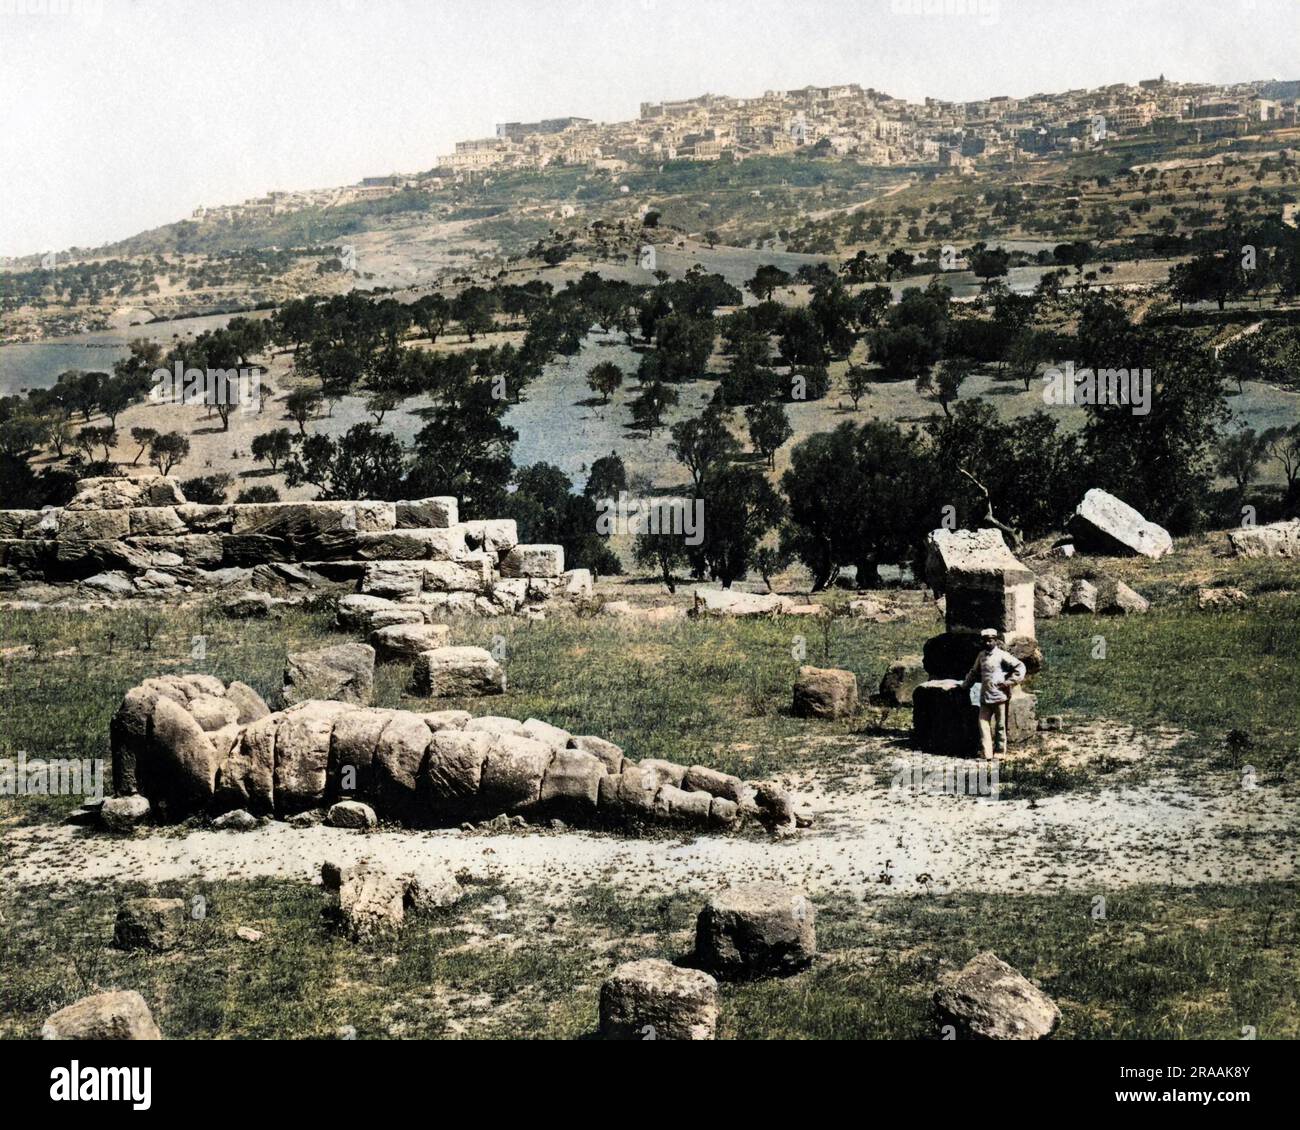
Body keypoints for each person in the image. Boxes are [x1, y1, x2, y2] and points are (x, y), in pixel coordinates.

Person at [960, 628, 1026, 758]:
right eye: (985, 641)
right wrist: (964, 685)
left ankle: (1000, 752)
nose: (988, 643)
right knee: (983, 723)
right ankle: (987, 752)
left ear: (995, 641)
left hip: (1000, 695)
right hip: (985, 696)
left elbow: (1020, 667)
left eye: (990, 641)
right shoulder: (981, 655)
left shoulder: (1002, 655)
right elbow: (974, 672)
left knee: (1000, 725)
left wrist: (1009, 682)